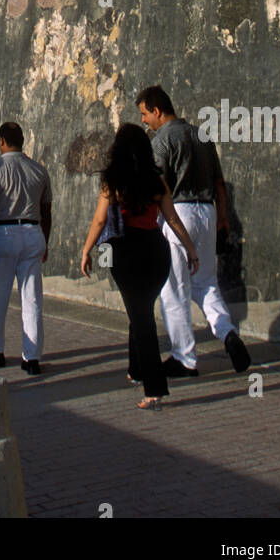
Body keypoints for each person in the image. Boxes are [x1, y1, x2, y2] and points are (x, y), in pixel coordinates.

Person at [81, 123, 199, 409]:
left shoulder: (114, 181)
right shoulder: (157, 181)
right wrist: (191, 250)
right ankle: (136, 369)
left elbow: (99, 221)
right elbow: (172, 220)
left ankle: (155, 387)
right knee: (141, 309)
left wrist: (86, 251)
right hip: (156, 250)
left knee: (141, 316)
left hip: (125, 252)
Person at [137, 85, 252, 377]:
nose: (144, 121)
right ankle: (227, 332)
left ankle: (184, 357)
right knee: (206, 283)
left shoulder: (161, 141)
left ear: (157, 111)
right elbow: (219, 184)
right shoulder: (202, 136)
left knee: (173, 289)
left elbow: (158, 188)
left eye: (145, 114)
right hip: (208, 213)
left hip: (178, 214)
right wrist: (223, 218)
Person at [0, 121, 52, 375]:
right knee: (32, 297)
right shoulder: (39, 170)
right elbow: (46, 211)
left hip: (4, 233)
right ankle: (32, 357)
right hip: (33, 232)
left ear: (2, 141)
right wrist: (45, 241)